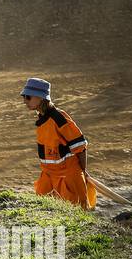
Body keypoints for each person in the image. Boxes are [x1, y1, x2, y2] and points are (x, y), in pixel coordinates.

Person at [21, 77, 96, 209]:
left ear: (41, 98)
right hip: (49, 176)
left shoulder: (59, 118)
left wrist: (83, 172)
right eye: (23, 97)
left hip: (67, 177)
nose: (24, 101)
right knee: (45, 212)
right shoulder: (42, 117)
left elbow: (80, 147)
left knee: (74, 215)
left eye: (28, 97)